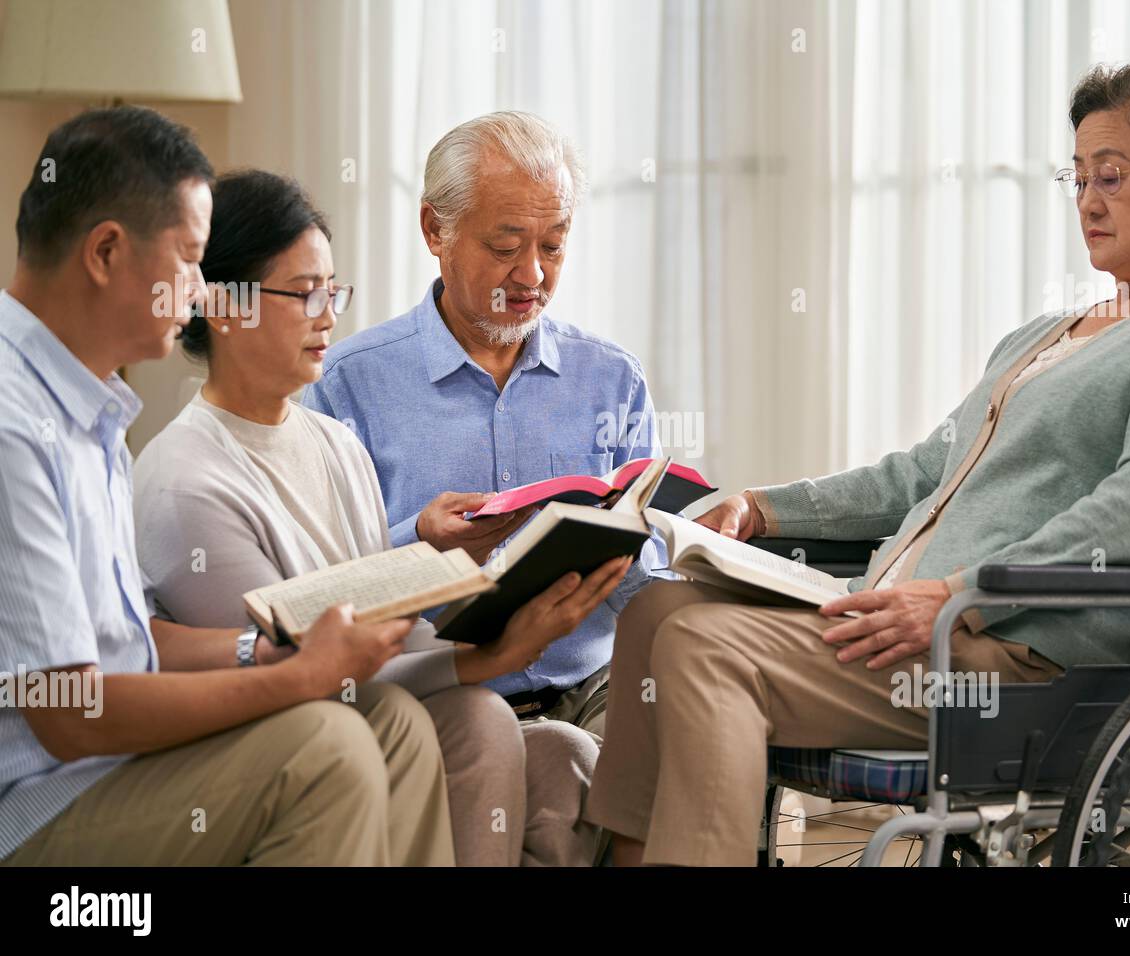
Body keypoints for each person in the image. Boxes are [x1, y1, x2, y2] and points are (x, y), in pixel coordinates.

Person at [583, 62, 1130, 866]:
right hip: (911, 627)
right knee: (654, 614)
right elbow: (921, 476)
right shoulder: (1045, 337)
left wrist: (961, 595)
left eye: (1113, 176)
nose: (1088, 200)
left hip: (1018, 662)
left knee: (705, 649)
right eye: (1078, 176)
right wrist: (763, 509)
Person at [0, 107, 453, 866]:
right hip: (38, 803)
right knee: (326, 743)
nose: (199, 289)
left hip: (103, 772)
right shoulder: (17, 427)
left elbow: (121, 643)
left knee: (392, 722)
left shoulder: (91, 409)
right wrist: (300, 679)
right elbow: (69, 712)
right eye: (187, 259)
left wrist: (263, 654)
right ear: (107, 252)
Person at [134, 169, 624, 866]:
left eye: (332, 291)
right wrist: (489, 657)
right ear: (225, 306)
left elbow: (387, 623)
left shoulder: (335, 444)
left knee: (547, 753)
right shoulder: (185, 480)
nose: (328, 314)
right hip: (289, 728)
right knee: (480, 719)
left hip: (372, 699)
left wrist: (462, 585)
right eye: (304, 293)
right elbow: (296, 680)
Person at [303, 112, 664, 733]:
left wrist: (633, 551)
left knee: (677, 734)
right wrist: (417, 536)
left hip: (593, 689)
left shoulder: (612, 378)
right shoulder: (345, 384)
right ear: (433, 229)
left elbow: (652, 576)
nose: (531, 276)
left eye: (553, 245)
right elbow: (318, 590)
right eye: (505, 247)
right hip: (433, 696)